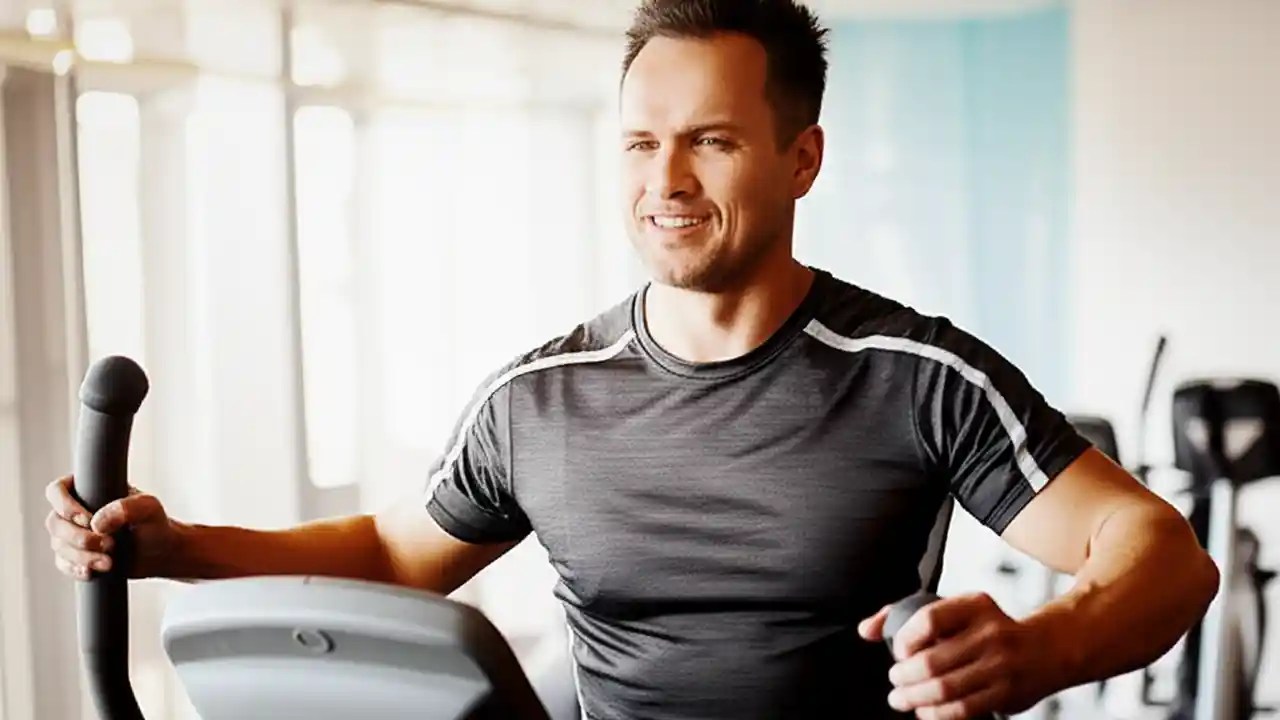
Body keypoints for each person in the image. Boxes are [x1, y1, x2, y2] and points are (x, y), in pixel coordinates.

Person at [45, 1, 1218, 718]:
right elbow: (394, 555)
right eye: (640, 144)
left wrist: (1039, 648)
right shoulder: (539, 396)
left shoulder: (913, 374)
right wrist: (169, 547)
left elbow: (1158, 552)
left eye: (708, 141)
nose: (664, 183)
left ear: (800, 158)